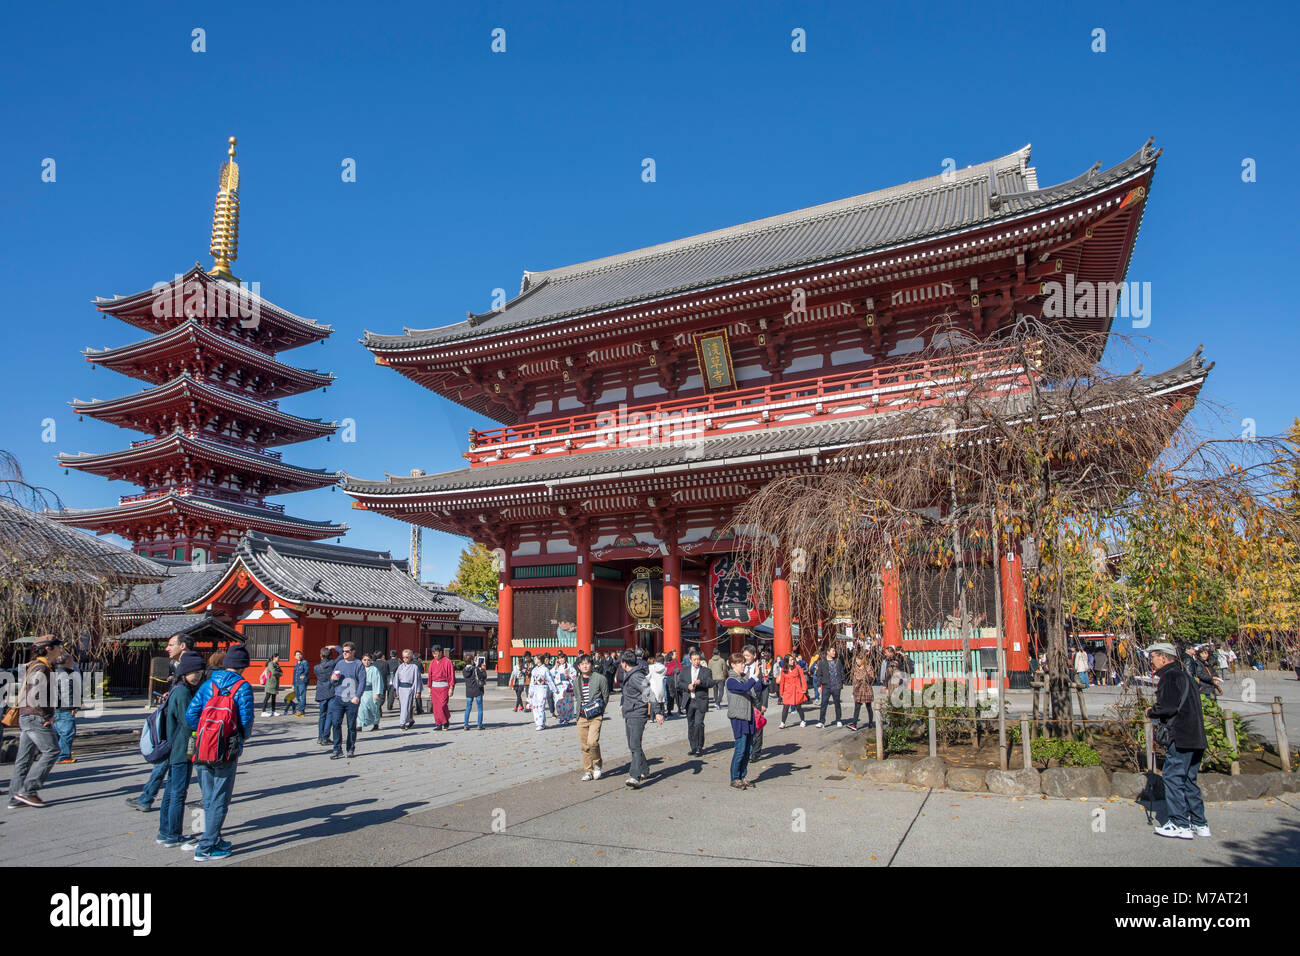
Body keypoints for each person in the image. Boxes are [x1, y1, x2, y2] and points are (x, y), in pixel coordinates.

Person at [184, 643, 255, 860]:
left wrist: (207, 730)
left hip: (203, 746)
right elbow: (246, 720)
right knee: (220, 797)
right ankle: (206, 847)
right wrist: (237, 737)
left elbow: (191, 714)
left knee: (208, 795)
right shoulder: (242, 687)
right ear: (243, 666)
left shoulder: (208, 684)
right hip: (226, 748)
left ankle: (214, 837)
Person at [1145, 642, 1210, 840]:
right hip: (1196, 735)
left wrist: (1152, 711)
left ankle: (1179, 822)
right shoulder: (1185, 675)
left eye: (1153, 657)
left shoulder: (1170, 677)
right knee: (1189, 780)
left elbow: (1167, 706)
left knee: (1173, 778)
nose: (1151, 662)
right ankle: (1199, 822)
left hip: (1180, 735)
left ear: (1164, 657)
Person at [127, 632, 193, 811]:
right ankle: (147, 798)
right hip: (172, 721)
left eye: (171, 644)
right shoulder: (176, 664)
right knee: (165, 761)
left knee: (170, 761)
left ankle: (150, 801)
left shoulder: (190, 665)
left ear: (183, 646)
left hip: (180, 726)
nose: (167, 648)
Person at [6, 636, 63, 809]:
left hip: (26, 715)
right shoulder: (41, 668)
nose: (61, 650)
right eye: (58, 647)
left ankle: (15, 797)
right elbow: (36, 695)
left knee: (24, 759)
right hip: (35, 717)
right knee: (52, 751)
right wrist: (47, 716)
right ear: (48, 649)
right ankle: (28, 790)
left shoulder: (33, 665)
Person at [155, 651, 204, 847]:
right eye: (194, 672)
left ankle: (164, 831)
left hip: (176, 747)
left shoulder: (177, 690)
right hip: (182, 747)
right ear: (185, 672)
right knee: (178, 793)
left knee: (170, 792)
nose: (197, 676)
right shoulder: (183, 693)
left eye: (200, 672)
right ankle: (173, 834)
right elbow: (188, 721)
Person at [619, 650, 661, 787]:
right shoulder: (630, 674)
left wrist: (658, 711)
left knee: (635, 745)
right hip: (630, 712)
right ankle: (644, 769)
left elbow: (649, 692)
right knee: (632, 745)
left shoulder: (636, 676)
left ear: (624, 664)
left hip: (637, 713)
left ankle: (634, 776)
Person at [725, 653, 763, 790]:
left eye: (743, 663)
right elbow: (744, 688)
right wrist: (753, 676)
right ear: (733, 665)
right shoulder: (731, 680)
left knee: (748, 748)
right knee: (740, 748)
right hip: (738, 717)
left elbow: (754, 689)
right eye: (740, 663)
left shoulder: (743, 679)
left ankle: (742, 775)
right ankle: (735, 777)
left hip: (748, 716)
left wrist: (757, 676)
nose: (743, 665)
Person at [327, 642, 367, 759]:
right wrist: (333, 679)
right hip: (338, 697)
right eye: (343, 651)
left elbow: (362, 682)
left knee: (351, 725)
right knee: (336, 723)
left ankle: (350, 749)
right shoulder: (339, 664)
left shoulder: (358, 664)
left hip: (352, 699)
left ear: (353, 652)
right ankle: (337, 748)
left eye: (347, 651)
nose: (344, 653)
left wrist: (357, 696)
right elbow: (333, 680)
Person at [574, 654, 610, 779]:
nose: (585, 666)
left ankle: (597, 764)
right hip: (582, 716)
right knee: (584, 745)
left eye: (587, 663)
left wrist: (600, 710)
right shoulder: (576, 681)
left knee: (592, 742)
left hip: (595, 716)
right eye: (582, 664)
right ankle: (588, 771)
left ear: (591, 664)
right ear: (578, 666)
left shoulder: (600, 678)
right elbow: (577, 697)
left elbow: (605, 696)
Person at [678, 648, 714, 755]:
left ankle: (699, 746)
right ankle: (693, 746)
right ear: (690, 660)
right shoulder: (684, 670)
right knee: (691, 724)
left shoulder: (706, 671)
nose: (696, 662)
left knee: (699, 723)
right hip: (689, 700)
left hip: (700, 700)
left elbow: (711, 683)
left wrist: (701, 682)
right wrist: (687, 686)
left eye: (698, 659)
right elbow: (679, 684)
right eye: (694, 660)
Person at [741, 645, 767, 761]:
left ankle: (756, 752)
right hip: (745, 699)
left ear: (754, 655)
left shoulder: (761, 667)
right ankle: (748, 749)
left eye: (747, 655)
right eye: (744, 655)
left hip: (757, 699)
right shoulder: (741, 668)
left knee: (757, 726)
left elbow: (765, 687)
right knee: (746, 726)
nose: (745, 658)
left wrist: (764, 704)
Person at [52, 655, 79, 764]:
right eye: (72, 660)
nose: (73, 663)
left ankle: (55, 755)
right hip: (65, 708)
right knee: (67, 733)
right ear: (67, 662)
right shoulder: (67, 674)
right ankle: (63, 756)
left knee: (57, 733)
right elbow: (69, 691)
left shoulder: (52, 673)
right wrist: (74, 706)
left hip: (54, 708)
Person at [426, 646, 456, 731]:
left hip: (444, 686)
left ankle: (445, 721)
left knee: (442, 705)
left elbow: (451, 676)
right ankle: (439, 723)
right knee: (436, 707)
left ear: (440, 652)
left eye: (436, 653)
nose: (434, 655)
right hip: (434, 687)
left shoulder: (447, 661)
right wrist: (429, 688)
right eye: (433, 653)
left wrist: (451, 688)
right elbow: (430, 676)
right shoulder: (432, 662)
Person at [816, 644, 845, 728]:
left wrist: (843, 681)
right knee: (823, 704)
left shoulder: (837, 661)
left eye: (834, 651)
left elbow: (841, 671)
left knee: (837, 704)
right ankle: (821, 721)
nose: (834, 652)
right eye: (833, 651)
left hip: (836, 685)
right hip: (826, 686)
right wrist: (818, 685)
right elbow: (819, 675)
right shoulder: (822, 662)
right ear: (828, 652)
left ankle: (838, 720)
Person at [777, 652, 808, 729]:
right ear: (787, 661)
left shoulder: (798, 667)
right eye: (791, 660)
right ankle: (783, 722)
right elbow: (782, 682)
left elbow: (802, 678)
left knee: (798, 706)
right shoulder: (784, 670)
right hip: (787, 690)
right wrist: (781, 692)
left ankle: (803, 720)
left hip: (797, 690)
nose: (793, 661)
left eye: (793, 660)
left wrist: (804, 688)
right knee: (785, 706)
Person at [314, 645, 337, 745]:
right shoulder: (332, 664)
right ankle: (325, 737)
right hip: (331, 691)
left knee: (322, 715)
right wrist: (334, 646)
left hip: (321, 692)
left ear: (320, 656)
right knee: (329, 715)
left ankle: (320, 736)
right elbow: (341, 654)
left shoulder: (316, 668)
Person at [394, 649, 421, 729]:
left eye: (407, 657)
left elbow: (417, 679)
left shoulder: (414, 667)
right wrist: (395, 689)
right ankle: (410, 719)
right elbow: (396, 678)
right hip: (401, 688)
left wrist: (417, 691)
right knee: (403, 706)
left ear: (411, 657)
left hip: (409, 688)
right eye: (404, 657)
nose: (405, 659)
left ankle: (402, 723)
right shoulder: (400, 667)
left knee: (406, 705)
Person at [847, 651, 875, 730]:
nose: (856, 662)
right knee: (857, 706)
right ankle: (854, 724)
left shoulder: (868, 668)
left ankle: (870, 723)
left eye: (858, 660)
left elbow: (872, 678)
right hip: (858, 689)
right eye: (856, 660)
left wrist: (866, 676)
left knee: (868, 707)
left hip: (866, 689)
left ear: (862, 660)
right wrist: (853, 690)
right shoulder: (855, 669)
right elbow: (854, 680)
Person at [357, 653, 384, 732]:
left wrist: (377, 693)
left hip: (371, 691)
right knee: (361, 709)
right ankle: (360, 725)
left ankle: (375, 723)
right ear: (362, 661)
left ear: (371, 661)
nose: (366, 662)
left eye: (368, 660)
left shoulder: (374, 669)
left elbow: (377, 682)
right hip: (361, 692)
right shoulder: (359, 669)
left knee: (373, 709)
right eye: (364, 660)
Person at [528, 656, 555, 730]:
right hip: (535, 689)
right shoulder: (534, 670)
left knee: (541, 705)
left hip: (542, 688)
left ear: (540, 660)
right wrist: (530, 692)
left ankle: (540, 724)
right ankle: (540, 722)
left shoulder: (545, 669)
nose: (534, 660)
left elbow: (550, 679)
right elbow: (532, 682)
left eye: (536, 659)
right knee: (535, 707)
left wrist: (554, 689)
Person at [462, 656, 487, 730]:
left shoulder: (464, 670)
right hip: (477, 689)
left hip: (469, 690)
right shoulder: (475, 669)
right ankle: (479, 725)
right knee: (479, 707)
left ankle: (466, 724)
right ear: (472, 661)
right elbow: (483, 676)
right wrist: (481, 669)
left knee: (468, 708)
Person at [552, 652, 576, 726]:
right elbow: (551, 674)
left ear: (565, 658)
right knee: (558, 702)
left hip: (566, 686)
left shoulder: (569, 666)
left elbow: (574, 675)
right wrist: (555, 666)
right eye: (559, 658)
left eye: (562, 658)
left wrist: (568, 676)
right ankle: (561, 716)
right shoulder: (556, 667)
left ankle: (567, 718)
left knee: (567, 703)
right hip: (558, 686)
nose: (561, 659)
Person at [291, 650, 310, 717]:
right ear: (295, 656)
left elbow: (307, 670)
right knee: (298, 696)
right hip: (296, 682)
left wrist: (304, 675)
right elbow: (294, 675)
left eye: (300, 654)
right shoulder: (296, 664)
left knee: (302, 696)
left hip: (302, 682)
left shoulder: (304, 662)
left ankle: (300, 710)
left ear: (302, 655)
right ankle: (301, 710)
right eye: (297, 655)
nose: (298, 656)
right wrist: (292, 684)